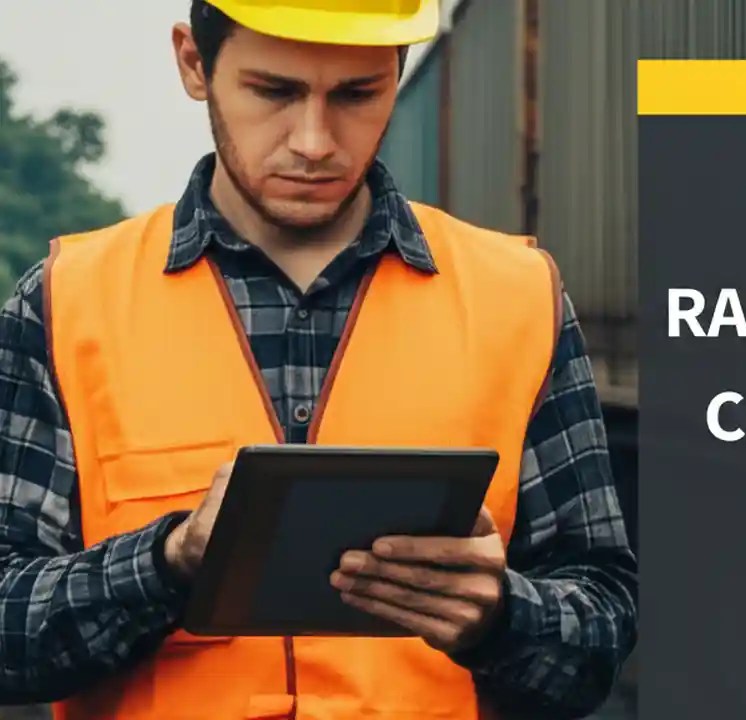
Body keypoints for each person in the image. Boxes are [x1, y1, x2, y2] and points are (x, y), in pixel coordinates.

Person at [0, 1, 637, 718]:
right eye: (274, 92)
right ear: (193, 64)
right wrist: (167, 562)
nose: (313, 142)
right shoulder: (66, 305)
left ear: (398, 74)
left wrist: (501, 615)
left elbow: (601, 632)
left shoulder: (520, 299)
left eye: (357, 95)